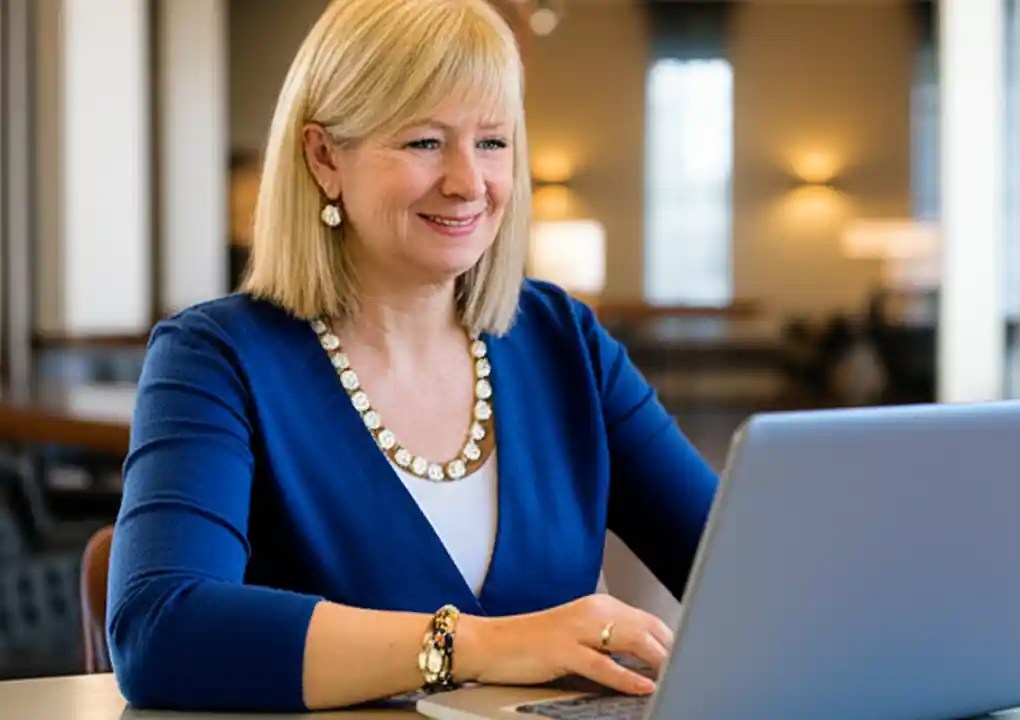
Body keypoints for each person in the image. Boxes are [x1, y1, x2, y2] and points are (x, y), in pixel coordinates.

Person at [106, 0, 718, 711]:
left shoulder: (564, 341)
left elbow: (746, 571)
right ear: (324, 157)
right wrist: (486, 645)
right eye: (425, 142)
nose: (468, 182)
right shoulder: (216, 358)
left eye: (492, 142)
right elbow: (160, 630)